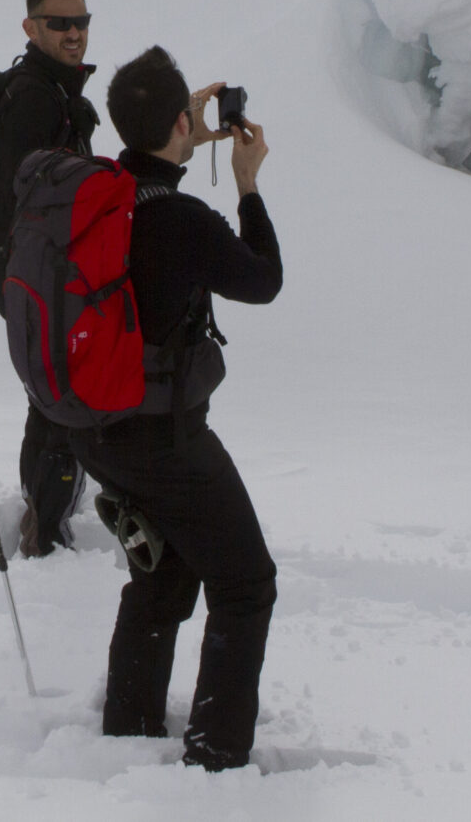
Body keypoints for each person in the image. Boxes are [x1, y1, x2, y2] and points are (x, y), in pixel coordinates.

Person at [74, 46, 282, 772]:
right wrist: (247, 185)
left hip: (93, 428)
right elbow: (263, 281)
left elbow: (148, 160)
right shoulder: (183, 219)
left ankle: (129, 725)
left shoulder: (94, 193)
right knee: (245, 582)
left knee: (164, 572)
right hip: (165, 438)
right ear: (180, 123)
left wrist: (172, 126)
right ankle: (216, 754)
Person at [0, 0, 103, 557]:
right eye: (59, 23)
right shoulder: (36, 97)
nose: (73, 33)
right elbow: (31, 196)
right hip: (38, 273)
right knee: (61, 404)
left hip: (38, 270)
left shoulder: (54, 90)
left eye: (81, 22)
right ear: (30, 28)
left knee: (49, 400)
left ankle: (44, 520)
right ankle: (47, 536)